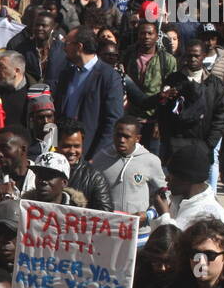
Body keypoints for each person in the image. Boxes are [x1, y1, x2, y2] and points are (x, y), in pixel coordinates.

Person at [155, 40, 224, 167]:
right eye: (189, 55)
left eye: (196, 55)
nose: (193, 59)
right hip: (176, 145)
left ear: (204, 56)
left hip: (203, 145)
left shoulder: (215, 84)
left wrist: (209, 144)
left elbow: (221, 116)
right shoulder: (173, 80)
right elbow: (163, 112)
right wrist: (168, 140)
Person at [56, 27, 124, 158]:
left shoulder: (108, 76)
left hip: (90, 153)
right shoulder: (66, 74)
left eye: (67, 44)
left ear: (79, 46)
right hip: (63, 152)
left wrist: (98, 156)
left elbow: (113, 120)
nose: (64, 48)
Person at [94, 117, 166, 230]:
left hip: (138, 233)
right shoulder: (100, 159)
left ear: (137, 138)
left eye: (127, 137)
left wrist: (149, 215)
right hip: (107, 230)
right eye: (118, 135)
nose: (122, 140)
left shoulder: (150, 161)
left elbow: (165, 195)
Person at [149, 140, 224, 233]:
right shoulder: (180, 199)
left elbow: (175, 244)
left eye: (171, 175)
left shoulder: (207, 215)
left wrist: (164, 215)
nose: (166, 179)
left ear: (186, 179)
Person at [54, 117, 113, 211]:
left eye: (77, 146)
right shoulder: (44, 170)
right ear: (56, 145)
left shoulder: (95, 178)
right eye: (66, 146)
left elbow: (105, 215)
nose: (72, 151)